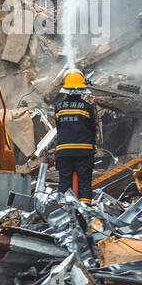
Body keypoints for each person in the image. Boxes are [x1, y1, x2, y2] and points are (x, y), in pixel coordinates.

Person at [54, 70, 96, 205]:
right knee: (84, 182)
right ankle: (85, 210)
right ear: (82, 90)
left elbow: (59, 128)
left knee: (64, 182)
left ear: (65, 89)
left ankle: (62, 211)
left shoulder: (58, 107)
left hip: (64, 151)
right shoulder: (87, 107)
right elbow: (92, 129)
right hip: (84, 151)